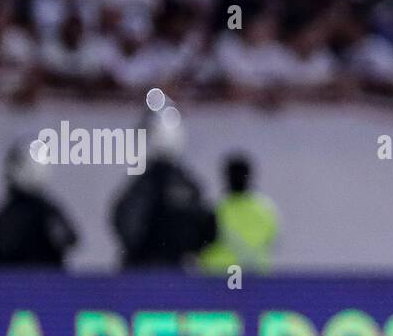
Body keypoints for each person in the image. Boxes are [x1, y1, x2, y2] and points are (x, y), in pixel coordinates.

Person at [110, 111, 216, 268]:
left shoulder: (146, 182)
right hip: (177, 267)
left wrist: (141, 250)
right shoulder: (187, 184)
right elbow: (207, 227)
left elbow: (124, 220)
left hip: (143, 266)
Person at [0, 141, 79, 267]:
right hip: (20, 282)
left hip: (40, 281)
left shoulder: (43, 210)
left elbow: (69, 239)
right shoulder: (14, 213)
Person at [199, 154, 279, 274]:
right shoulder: (266, 209)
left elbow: (201, 242)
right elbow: (273, 240)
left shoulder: (215, 209)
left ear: (226, 177)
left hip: (220, 277)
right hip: (255, 276)